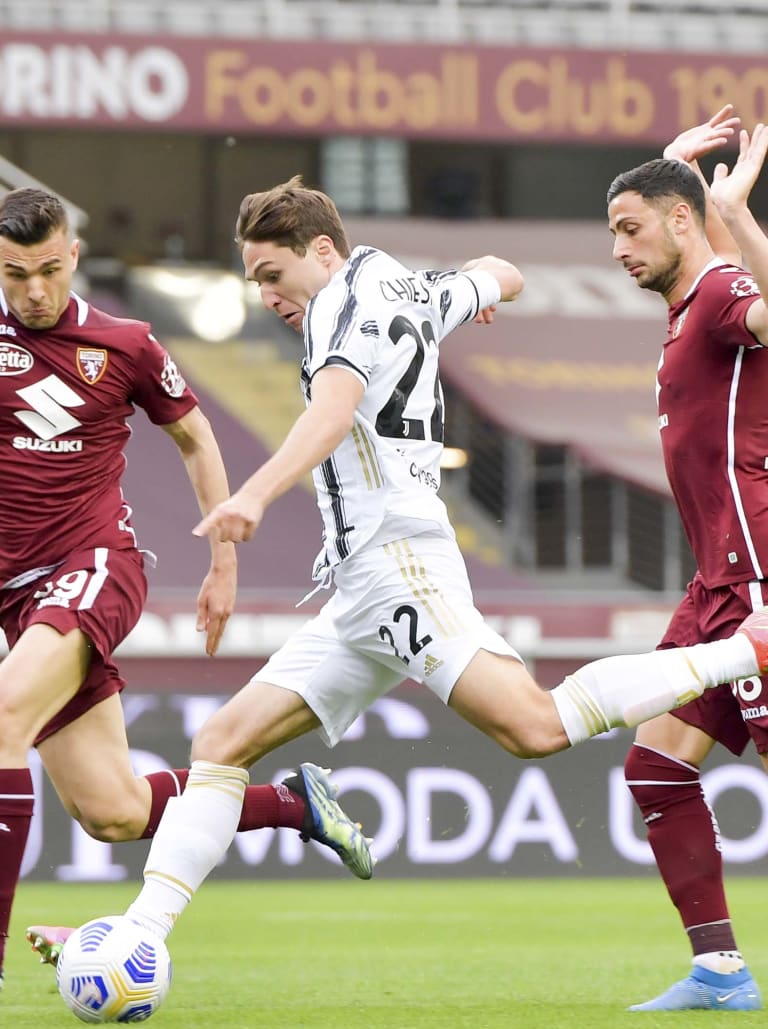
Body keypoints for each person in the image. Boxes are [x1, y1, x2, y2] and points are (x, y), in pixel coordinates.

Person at [49, 174, 767, 961]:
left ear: (321, 253)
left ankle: (747, 650)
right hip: (359, 584)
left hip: (400, 563)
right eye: (255, 281)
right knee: (221, 742)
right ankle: (141, 941)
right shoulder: (403, 285)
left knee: (535, 726)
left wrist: (252, 497)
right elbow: (502, 270)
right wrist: (489, 289)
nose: (266, 298)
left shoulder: (337, 310)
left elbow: (331, 411)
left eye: (272, 277)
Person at [0, 187, 372, 989]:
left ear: (73, 257)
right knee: (115, 812)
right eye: (12, 275)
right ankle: (292, 805)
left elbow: (195, 437)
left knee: (4, 718)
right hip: (16, 598)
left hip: (92, 566)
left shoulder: (124, 343)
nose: (32, 291)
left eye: (46, 271)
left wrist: (223, 561)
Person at [606, 107, 768, 1011]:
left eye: (632, 229)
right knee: (657, 767)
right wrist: (674, 174)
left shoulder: (717, 293)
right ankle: (719, 971)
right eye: (614, 232)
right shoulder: (683, 307)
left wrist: (732, 212)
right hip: (715, 585)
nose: (619, 250)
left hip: (760, 580)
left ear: (680, 223)